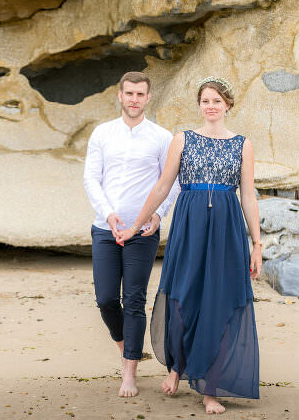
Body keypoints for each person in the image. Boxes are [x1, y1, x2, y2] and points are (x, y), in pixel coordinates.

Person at [116, 76, 263, 415]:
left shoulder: (243, 144)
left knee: (219, 302)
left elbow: (248, 196)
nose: (210, 106)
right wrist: (137, 225)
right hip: (189, 226)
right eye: (205, 100)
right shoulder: (183, 139)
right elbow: (162, 186)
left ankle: (210, 388)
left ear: (228, 105)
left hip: (226, 230)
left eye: (216, 100)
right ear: (200, 105)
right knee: (184, 296)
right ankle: (177, 366)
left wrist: (257, 243)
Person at [83, 71, 180, 398]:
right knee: (106, 298)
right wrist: (108, 213)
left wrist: (157, 213)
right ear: (120, 95)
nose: (134, 99)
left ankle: (129, 372)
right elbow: (91, 179)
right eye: (129, 94)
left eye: (140, 94)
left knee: (134, 300)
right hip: (105, 228)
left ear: (148, 98)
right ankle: (126, 343)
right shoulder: (102, 133)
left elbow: (172, 182)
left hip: (143, 231)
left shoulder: (161, 137)